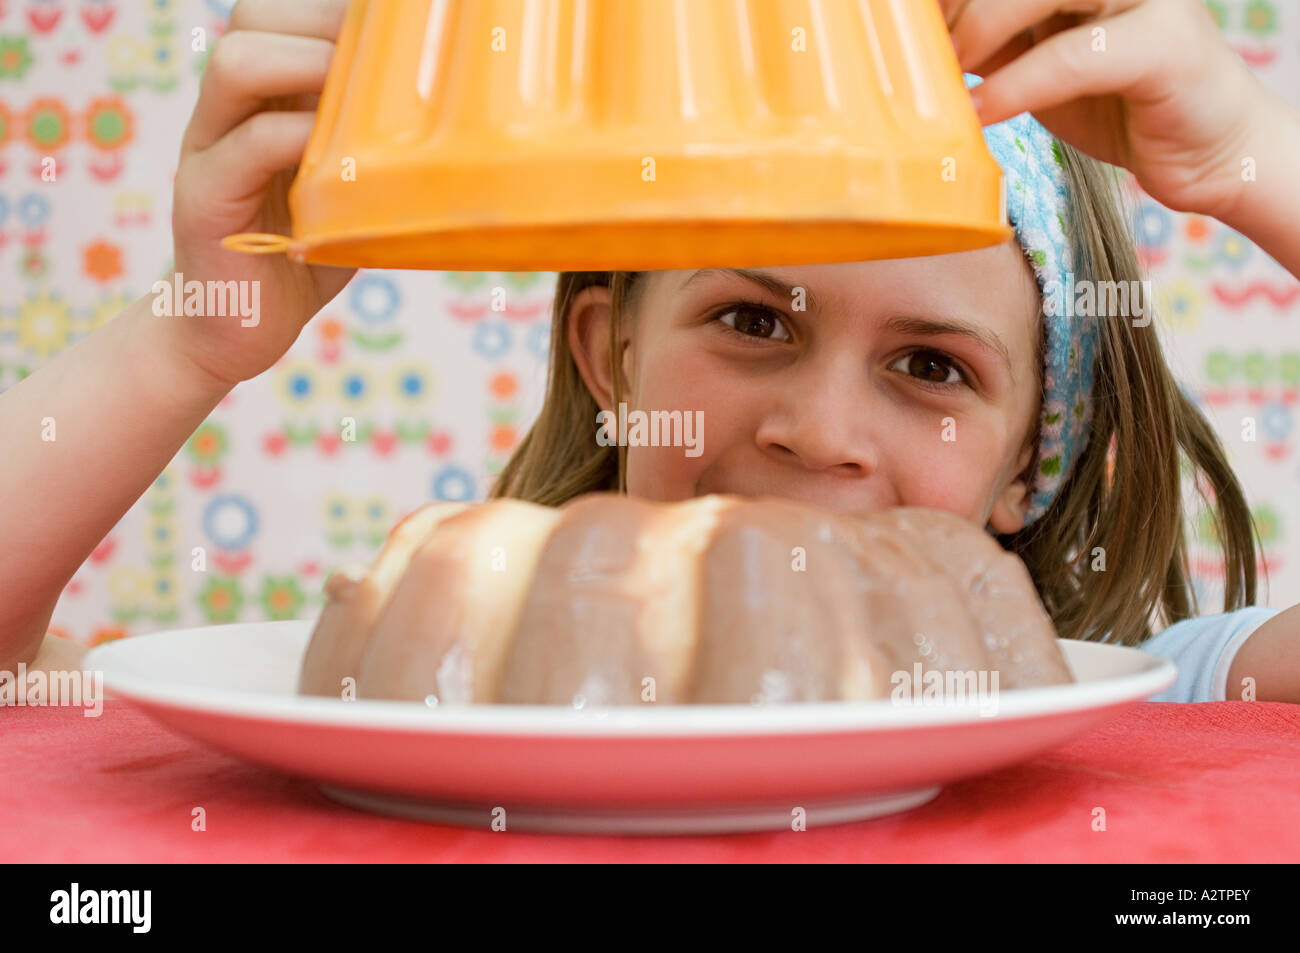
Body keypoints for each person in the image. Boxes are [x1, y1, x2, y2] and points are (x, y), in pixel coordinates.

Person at [3, 0, 1297, 702]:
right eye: (753, 321)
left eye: (932, 368)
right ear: (609, 357)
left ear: (1037, 459)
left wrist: (1257, 162)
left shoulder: (1134, 699)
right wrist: (189, 337)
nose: (817, 427)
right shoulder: (445, 658)